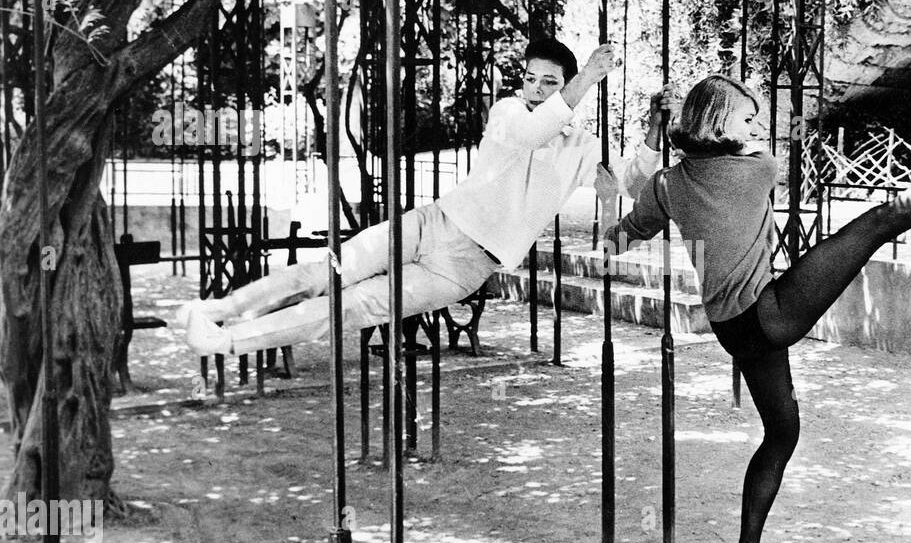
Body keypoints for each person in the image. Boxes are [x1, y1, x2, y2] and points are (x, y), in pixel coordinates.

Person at [601, 75, 911, 543]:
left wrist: (617, 225)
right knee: (887, 219)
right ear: (719, 122)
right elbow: (726, 161)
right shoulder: (756, 170)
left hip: (734, 328)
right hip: (768, 315)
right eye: (747, 118)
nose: (756, 128)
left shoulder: (666, 186)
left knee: (783, 429)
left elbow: (634, 224)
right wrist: (684, 122)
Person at [179, 38, 664, 357]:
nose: (536, 89)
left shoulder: (581, 143)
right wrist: (583, 84)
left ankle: (226, 342)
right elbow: (534, 132)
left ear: (565, 85)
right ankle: (218, 310)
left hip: (466, 265)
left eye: (550, 81)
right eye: (531, 78)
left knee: (355, 307)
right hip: (435, 222)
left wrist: (655, 129)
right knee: (326, 270)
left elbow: (632, 184)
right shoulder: (509, 113)